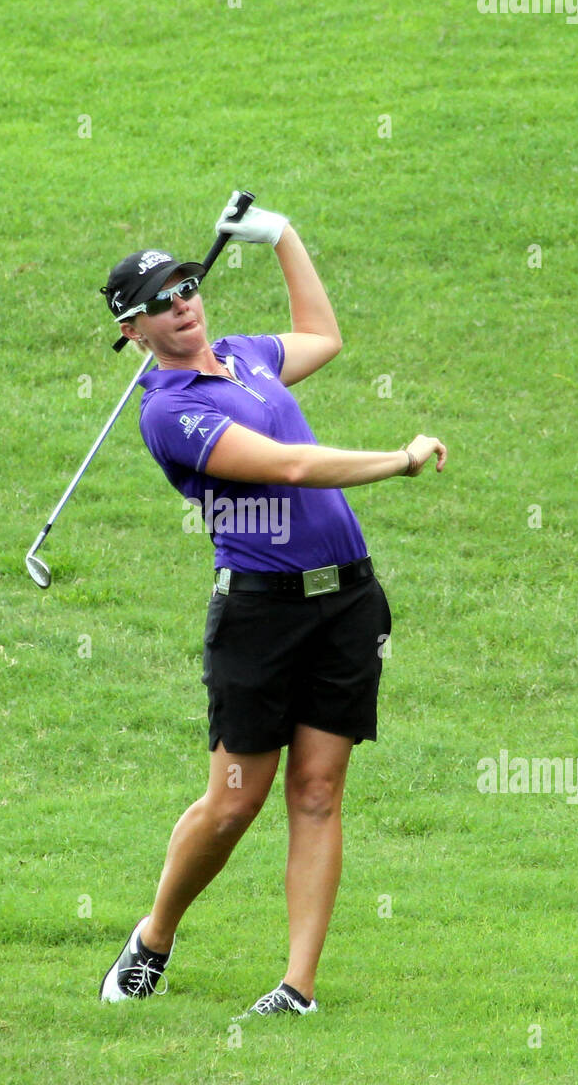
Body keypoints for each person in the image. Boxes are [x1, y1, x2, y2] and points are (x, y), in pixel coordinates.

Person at [97, 194, 447, 1017]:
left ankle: (297, 987)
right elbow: (287, 467)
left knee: (318, 792)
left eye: (184, 288)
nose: (179, 306)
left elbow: (322, 336)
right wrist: (397, 460)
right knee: (234, 801)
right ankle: (153, 938)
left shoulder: (247, 356)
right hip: (259, 619)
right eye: (156, 305)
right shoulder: (169, 412)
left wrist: (283, 235)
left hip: (347, 605)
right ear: (132, 333)